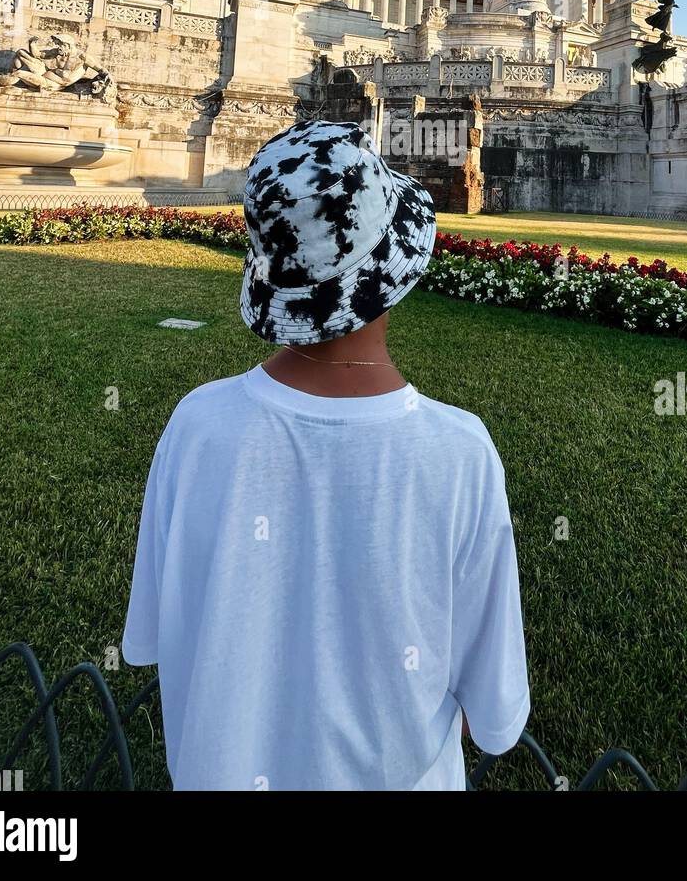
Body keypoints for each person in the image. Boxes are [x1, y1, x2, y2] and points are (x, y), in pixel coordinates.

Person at [123, 118, 530, 790]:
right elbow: (491, 712)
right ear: (396, 269)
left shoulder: (196, 425)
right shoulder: (461, 452)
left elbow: (154, 640)